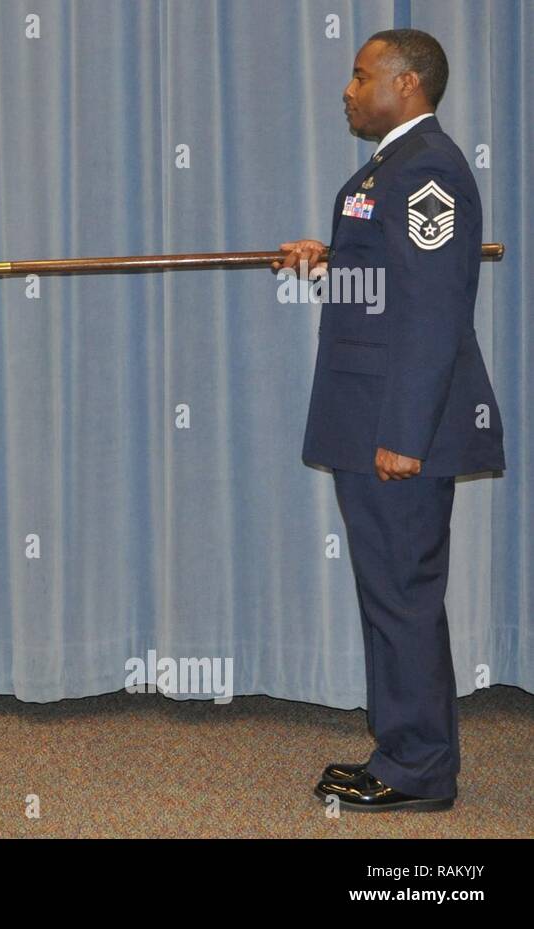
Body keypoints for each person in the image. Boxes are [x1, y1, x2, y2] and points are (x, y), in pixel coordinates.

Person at [274, 30, 503, 811]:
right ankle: (401, 747)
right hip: (369, 417)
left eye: (361, 74)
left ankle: (420, 770)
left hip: (399, 430)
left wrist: (405, 433)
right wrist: (334, 258)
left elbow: (436, 310)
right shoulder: (391, 166)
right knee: (389, 593)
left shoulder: (429, 168)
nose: (347, 87)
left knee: (402, 593)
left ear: (406, 85)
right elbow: (394, 280)